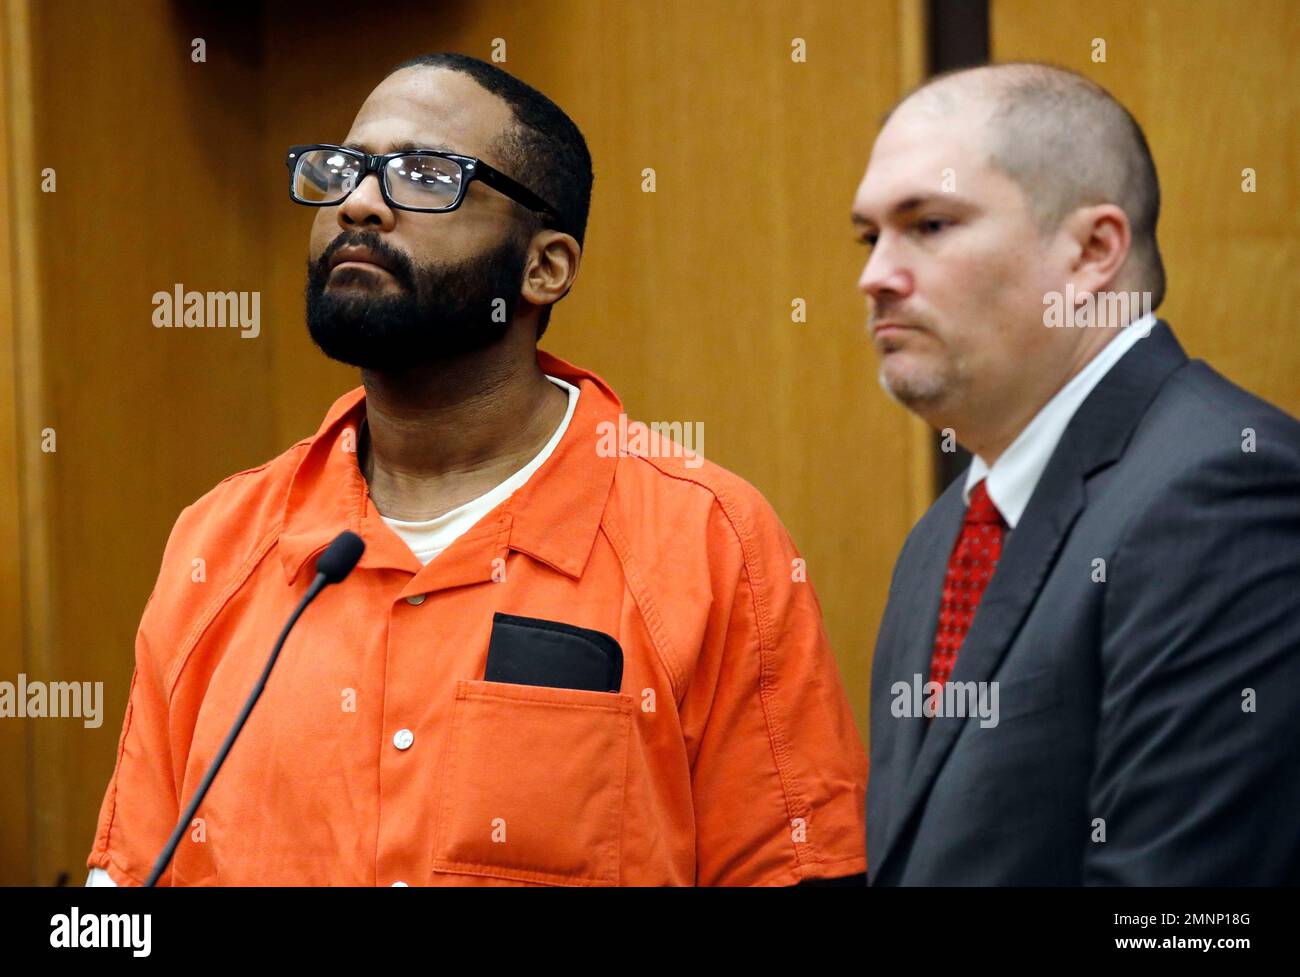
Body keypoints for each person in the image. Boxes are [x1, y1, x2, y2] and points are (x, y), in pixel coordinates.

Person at [87, 53, 866, 886]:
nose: (358, 203)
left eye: (425, 175)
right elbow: (124, 889)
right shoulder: (219, 540)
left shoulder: (709, 539)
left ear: (545, 267)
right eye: (344, 169)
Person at [853, 62, 1300, 884]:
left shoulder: (1224, 491)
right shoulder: (940, 538)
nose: (875, 274)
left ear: (1094, 251)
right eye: (869, 235)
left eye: (931, 224)